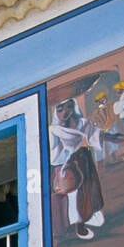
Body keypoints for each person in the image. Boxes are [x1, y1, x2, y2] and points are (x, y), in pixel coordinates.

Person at [49, 97, 108, 239]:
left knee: (88, 189)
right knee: (74, 195)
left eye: (69, 107)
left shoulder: (81, 123)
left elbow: (93, 133)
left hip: (82, 159)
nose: (65, 112)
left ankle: (90, 215)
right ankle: (79, 226)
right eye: (60, 109)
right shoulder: (54, 130)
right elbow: (54, 154)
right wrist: (67, 158)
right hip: (66, 166)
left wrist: (108, 136)